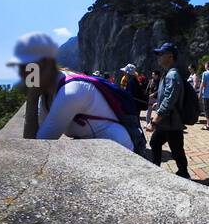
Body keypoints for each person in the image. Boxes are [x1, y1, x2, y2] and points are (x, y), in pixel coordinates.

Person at [8, 32, 136, 151]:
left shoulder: (70, 93)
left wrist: (31, 98)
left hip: (116, 149)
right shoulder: (48, 93)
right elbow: (33, 140)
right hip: (93, 147)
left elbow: (39, 145)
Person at [148, 43, 190, 179]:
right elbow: (166, 98)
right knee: (156, 142)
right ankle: (159, 169)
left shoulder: (172, 75)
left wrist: (154, 121)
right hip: (167, 122)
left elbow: (169, 101)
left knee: (176, 149)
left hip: (171, 122)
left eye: (161, 54)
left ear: (170, 56)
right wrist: (157, 105)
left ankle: (183, 173)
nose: (158, 56)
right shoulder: (168, 74)